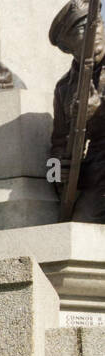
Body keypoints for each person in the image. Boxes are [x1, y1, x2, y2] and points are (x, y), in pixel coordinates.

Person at [50, 1, 105, 222]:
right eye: (82, 29)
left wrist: (99, 109)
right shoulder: (65, 88)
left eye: (97, 23)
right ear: (67, 46)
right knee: (80, 226)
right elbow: (58, 142)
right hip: (98, 171)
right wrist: (55, 173)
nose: (96, 32)